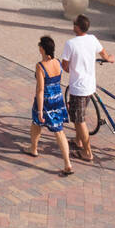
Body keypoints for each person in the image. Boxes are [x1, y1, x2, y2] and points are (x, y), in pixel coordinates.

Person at [61, 14, 114, 163]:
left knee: (79, 120)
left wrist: (70, 69)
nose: (73, 25)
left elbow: (65, 66)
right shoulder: (92, 39)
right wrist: (110, 58)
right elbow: (104, 53)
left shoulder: (70, 44)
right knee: (79, 114)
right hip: (90, 86)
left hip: (78, 88)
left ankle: (87, 152)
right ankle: (78, 141)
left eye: (74, 23)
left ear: (77, 27)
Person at [27, 35, 73, 176]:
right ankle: (67, 163)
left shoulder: (40, 66)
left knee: (36, 122)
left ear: (42, 49)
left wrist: (40, 110)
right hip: (58, 99)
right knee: (59, 131)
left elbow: (40, 90)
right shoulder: (57, 63)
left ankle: (34, 148)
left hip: (45, 101)